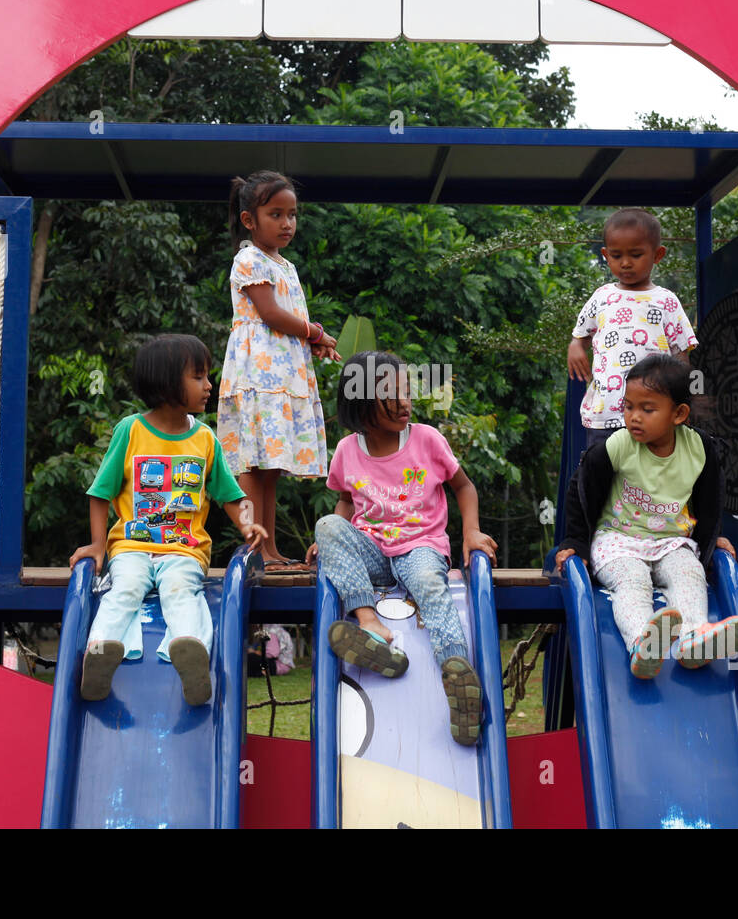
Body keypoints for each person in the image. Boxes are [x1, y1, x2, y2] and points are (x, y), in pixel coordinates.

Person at [305, 351, 498, 745]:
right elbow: (344, 502)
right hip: (372, 551)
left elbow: (463, 486)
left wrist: (472, 533)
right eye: (391, 394)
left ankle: (457, 674)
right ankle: (370, 626)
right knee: (327, 524)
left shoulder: (426, 440)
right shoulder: (346, 450)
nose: (405, 401)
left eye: (407, 391)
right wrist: (329, 538)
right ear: (361, 403)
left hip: (420, 545)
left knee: (429, 582)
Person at [72, 334, 267, 704]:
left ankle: (189, 651)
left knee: (182, 593)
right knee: (123, 590)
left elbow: (230, 495)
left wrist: (247, 523)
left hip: (184, 550)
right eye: (199, 376)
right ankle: (100, 653)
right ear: (166, 383)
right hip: (131, 545)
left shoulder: (205, 439)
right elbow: (100, 492)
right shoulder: (131, 431)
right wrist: (99, 545)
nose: (209, 385)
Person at [556, 354, 738, 679]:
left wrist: (711, 540)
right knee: (633, 582)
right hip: (618, 541)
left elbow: (708, 499)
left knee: (689, 574)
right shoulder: (619, 445)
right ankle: (643, 642)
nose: (634, 417)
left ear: (679, 414)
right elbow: (581, 486)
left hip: (671, 541)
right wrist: (577, 540)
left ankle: (694, 637)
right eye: (629, 407)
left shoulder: (699, 449)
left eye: (647, 409)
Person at [217, 171, 340, 573]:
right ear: (250, 220)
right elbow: (270, 314)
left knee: (269, 465)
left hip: (281, 373)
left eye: (292, 215)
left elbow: (290, 318)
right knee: (254, 462)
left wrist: (311, 340)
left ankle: (270, 550)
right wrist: (317, 332)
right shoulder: (249, 258)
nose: (287, 223)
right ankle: (256, 549)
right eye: (276, 215)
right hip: (258, 373)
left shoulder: (284, 264)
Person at [567, 208, 698, 450]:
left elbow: (681, 355)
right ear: (605, 255)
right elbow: (580, 335)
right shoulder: (601, 297)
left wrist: (682, 400)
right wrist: (576, 347)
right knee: (601, 478)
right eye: (616, 256)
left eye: (636, 255)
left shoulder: (666, 301)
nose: (625, 263)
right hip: (605, 414)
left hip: (654, 415)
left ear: (657, 254)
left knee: (650, 478)